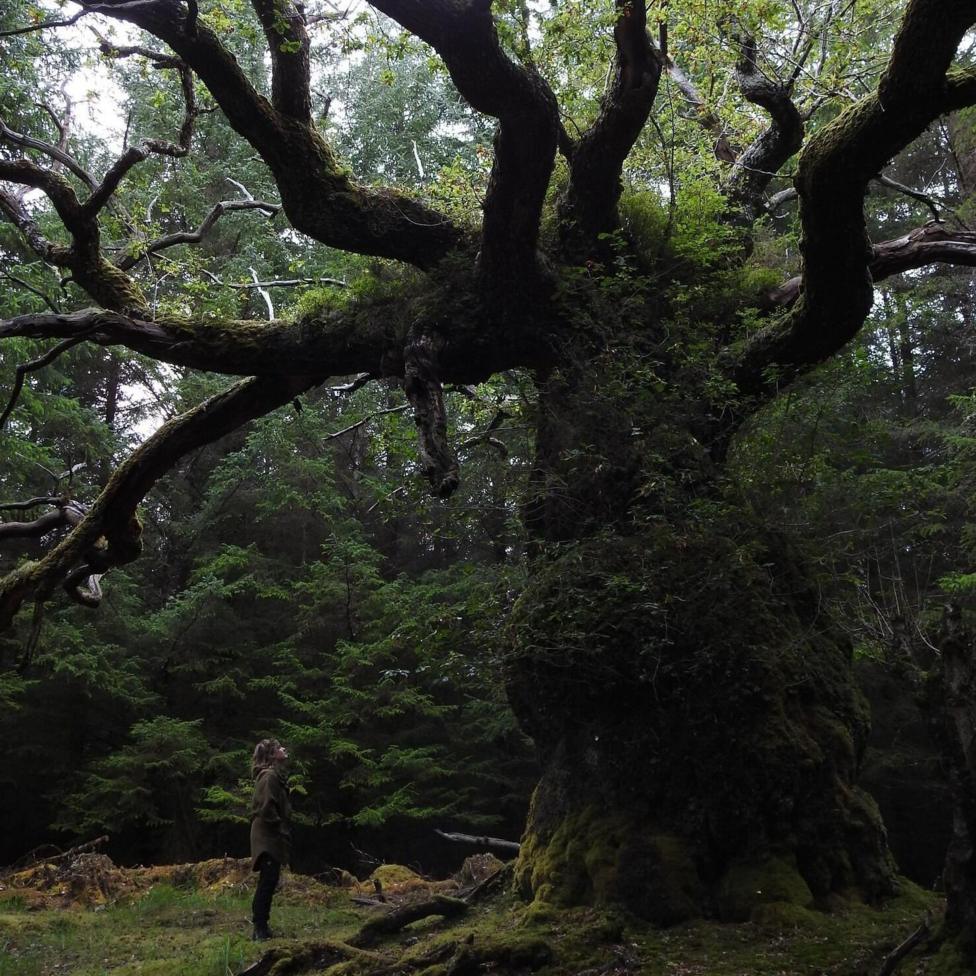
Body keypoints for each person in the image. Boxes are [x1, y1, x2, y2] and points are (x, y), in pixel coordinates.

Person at [249, 738, 291, 941]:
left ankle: (262, 926)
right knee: (267, 880)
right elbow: (266, 808)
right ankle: (259, 928)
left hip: (269, 833)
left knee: (270, 879)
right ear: (273, 755)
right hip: (266, 835)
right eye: (279, 748)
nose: (284, 749)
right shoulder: (269, 777)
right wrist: (279, 827)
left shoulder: (274, 776)